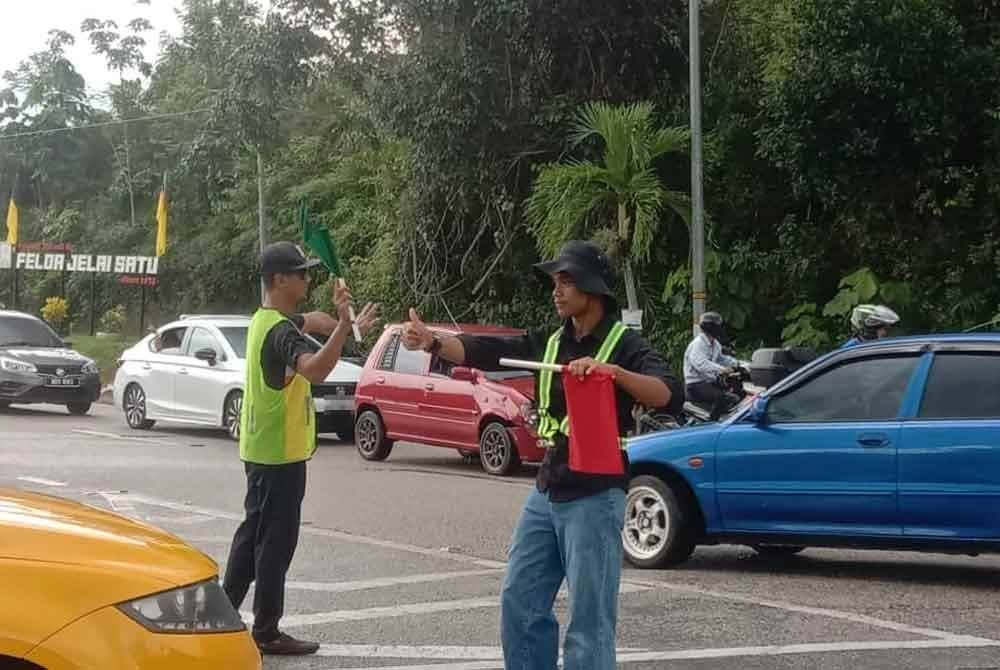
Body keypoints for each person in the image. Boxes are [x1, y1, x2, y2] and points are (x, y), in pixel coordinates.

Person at [401, 240, 682, 670]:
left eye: (566, 281)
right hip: (549, 489)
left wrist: (616, 374)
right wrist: (433, 341)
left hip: (595, 495)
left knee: (589, 624)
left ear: (592, 288)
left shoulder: (624, 344)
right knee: (521, 601)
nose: (557, 291)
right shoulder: (551, 341)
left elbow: (667, 393)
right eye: (555, 283)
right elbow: (487, 350)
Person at [222, 241, 378, 656]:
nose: (308, 278)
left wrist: (346, 323)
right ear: (279, 279)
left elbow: (315, 320)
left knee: (251, 533)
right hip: (279, 455)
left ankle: (222, 613)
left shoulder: (266, 319)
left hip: (261, 450)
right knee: (275, 543)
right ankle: (267, 631)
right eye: (302, 273)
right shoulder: (280, 332)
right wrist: (344, 330)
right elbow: (314, 370)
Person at [683, 311, 742, 418]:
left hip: (709, 382)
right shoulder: (698, 344)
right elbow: (701, 364)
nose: (720, 328)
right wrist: (722, 370)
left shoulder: (715, 344)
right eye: (718, 325)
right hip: (696, 385)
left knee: (738, 393)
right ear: (711, 327)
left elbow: (722, 358)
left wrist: (738, 363)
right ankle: (713, 423)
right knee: (725, 398)